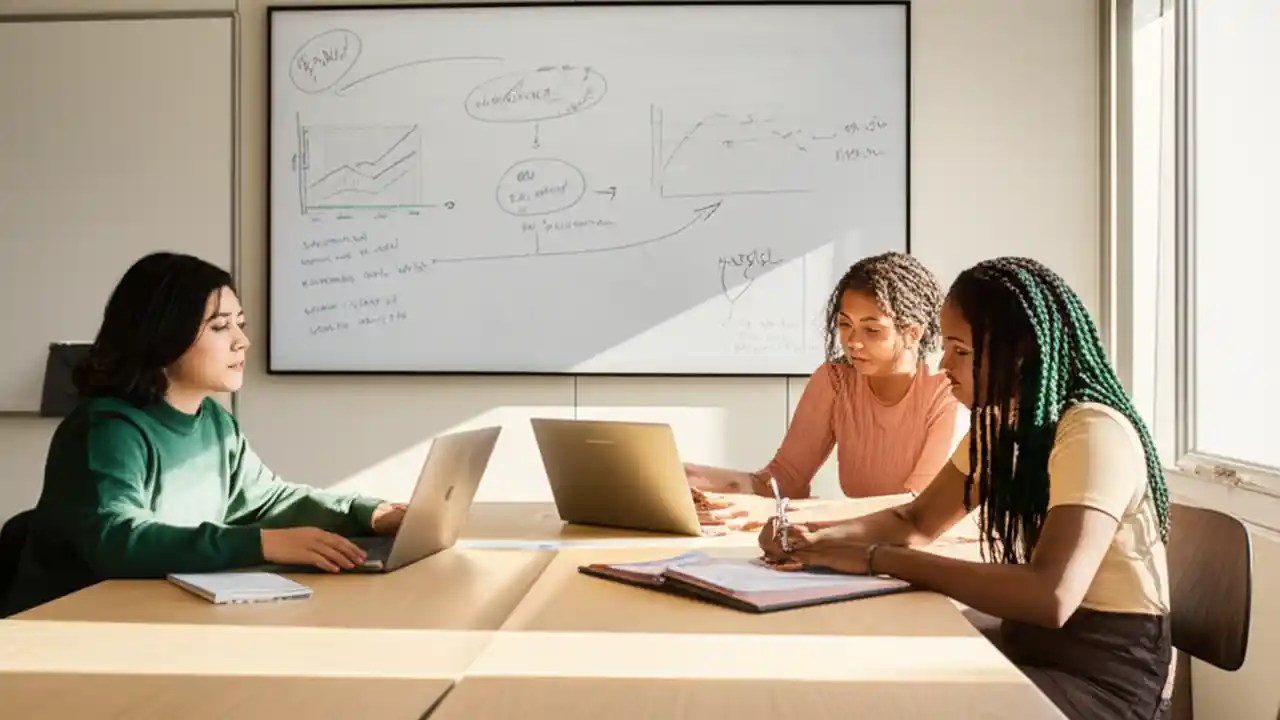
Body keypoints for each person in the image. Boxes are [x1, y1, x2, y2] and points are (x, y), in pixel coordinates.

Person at [761, 257, 1172, 720]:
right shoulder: (1001, 424)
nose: (943, 365)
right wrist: (809, 537)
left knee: (891, 703)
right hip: (1034, 647)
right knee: (864, 669)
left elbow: (1050, 595)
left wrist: (880, 559)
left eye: (959, 350)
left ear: (1018, 352)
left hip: (1104, 679)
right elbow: (916, 520)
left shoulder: (1092, 432)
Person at [3, 252, 406, 616]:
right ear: (164, 332)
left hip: (156, 616)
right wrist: (263, 543)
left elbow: (268, 500)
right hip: (71, 626)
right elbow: (118, 539)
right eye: (220, 326)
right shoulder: (108, 429)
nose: (242, 341)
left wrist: (369, 514)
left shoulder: (215, 422)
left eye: (240, 324)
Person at [686, 251, 967, 505]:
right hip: (864, 539)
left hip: (933, 542)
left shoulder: (947, 391)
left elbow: (917, 508)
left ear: (912, 333)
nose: (853, 342)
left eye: (871, 330)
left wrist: (798, 516)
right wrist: (688, 477)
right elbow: (785, 480)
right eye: (845, 324)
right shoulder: (835, 381)